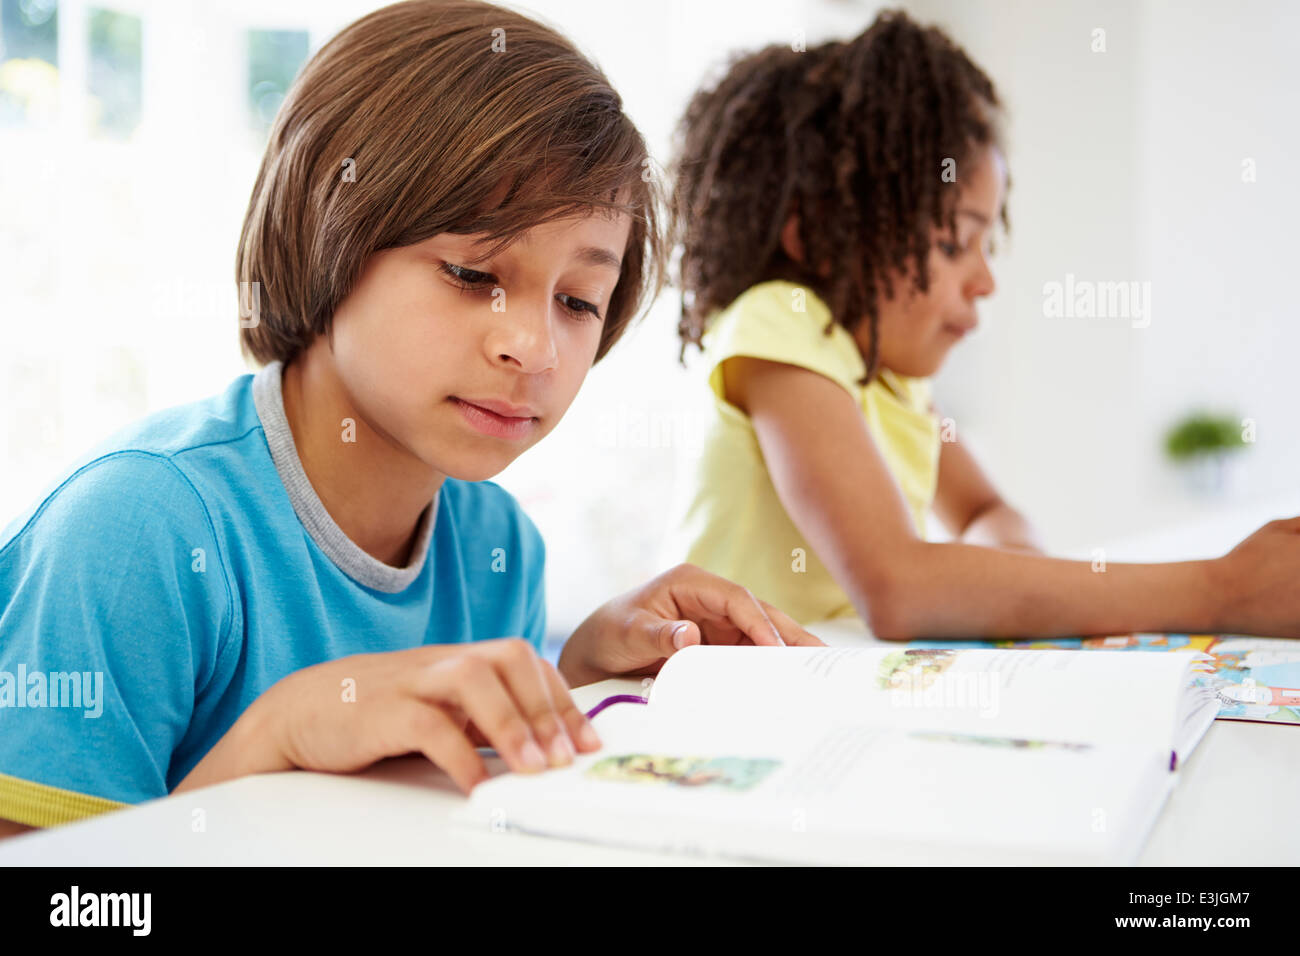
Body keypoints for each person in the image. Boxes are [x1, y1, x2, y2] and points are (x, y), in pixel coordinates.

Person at [0, 0, 818, 839]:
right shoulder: (137, 534)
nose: (535, 347)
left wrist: (573, 682)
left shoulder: (499, 549)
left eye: (578, 300)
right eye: (471, 273)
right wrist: (275, 738)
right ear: (331, 231)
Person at [665, 9, 1300, 638]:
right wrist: (1223, 588)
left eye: (985, 246)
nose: (986, 281)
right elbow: (897, 586)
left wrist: (1017, 578)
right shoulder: (779, 327)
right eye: (952, 245)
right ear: (816, 235)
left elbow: (985, 510)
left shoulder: (891, 379)